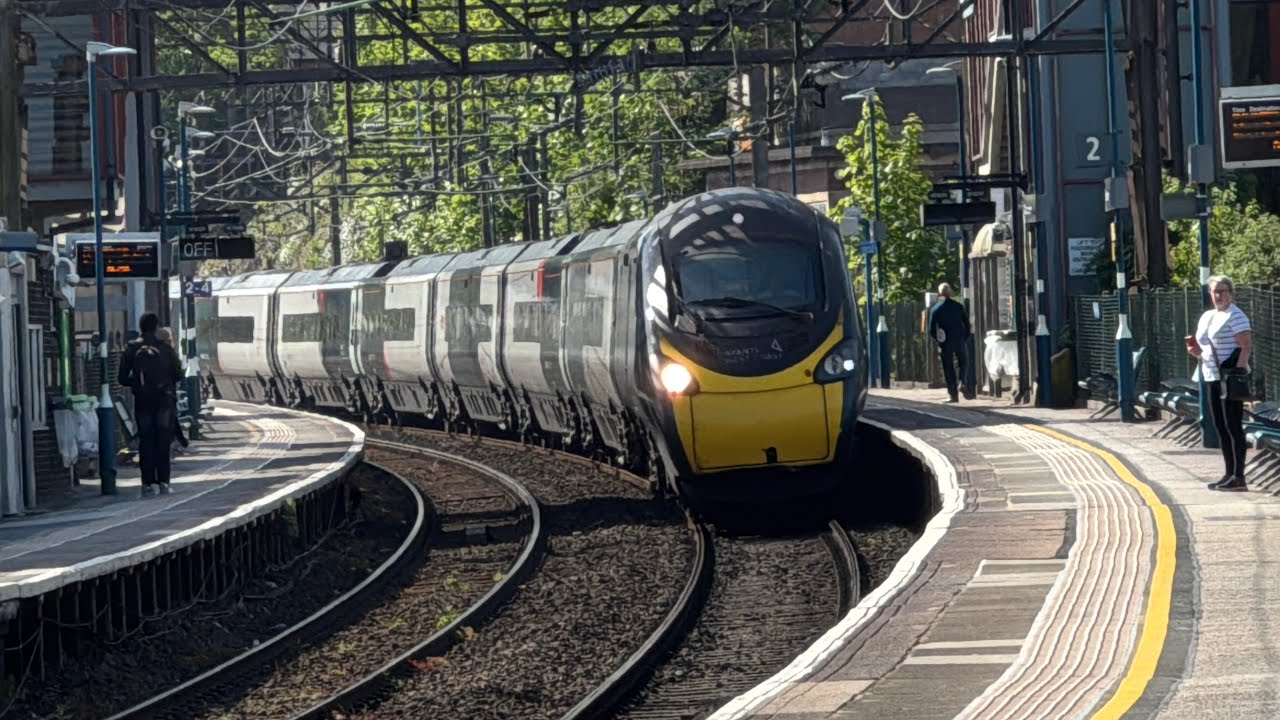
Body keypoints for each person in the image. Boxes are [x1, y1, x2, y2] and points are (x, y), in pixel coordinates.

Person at [1188, 275, 1253, 491]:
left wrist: (1238, 373)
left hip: (1229, 378)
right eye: (1215, 291)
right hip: (1211, 375)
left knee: (1233, 426)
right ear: (1210, 294)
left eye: (1223, 291)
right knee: (1220, 426)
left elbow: (1245, 346)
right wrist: (1195, 351)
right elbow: (1203, 347)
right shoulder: (1208, 317)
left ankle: (1239, 476)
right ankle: (1228, 473)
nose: (1219, 295)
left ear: (1231, 292)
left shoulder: (1236, 316)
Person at [117, 312, 183, 496]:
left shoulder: (131, 349)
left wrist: (138, 384)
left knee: (146, 442)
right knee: (163, 441)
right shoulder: (165, 348)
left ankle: (147, 484)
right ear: (156, 327)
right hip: (164, 401)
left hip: (143, 402)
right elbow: (178, 374)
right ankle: (164, 483)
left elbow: (122, 378)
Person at [928, 283, 974, 403]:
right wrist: (965, 337)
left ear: (940, 293)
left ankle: (953, 395)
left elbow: (931, 330)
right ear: (950, 292)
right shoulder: (958, 306)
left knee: (948, 368)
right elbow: (967, 323)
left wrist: (939, 340)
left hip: (945, 342)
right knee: (963, 363)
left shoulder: (936, 309)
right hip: (959, 340)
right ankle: (962, 381)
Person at [155, 327, 189, 451]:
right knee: (170, 419)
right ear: (167, 340)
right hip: (166, 394)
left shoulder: (143, 351)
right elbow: (178, 374)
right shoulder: (169, 352)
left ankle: (179, 439)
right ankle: (177, 441)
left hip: (146, 397)